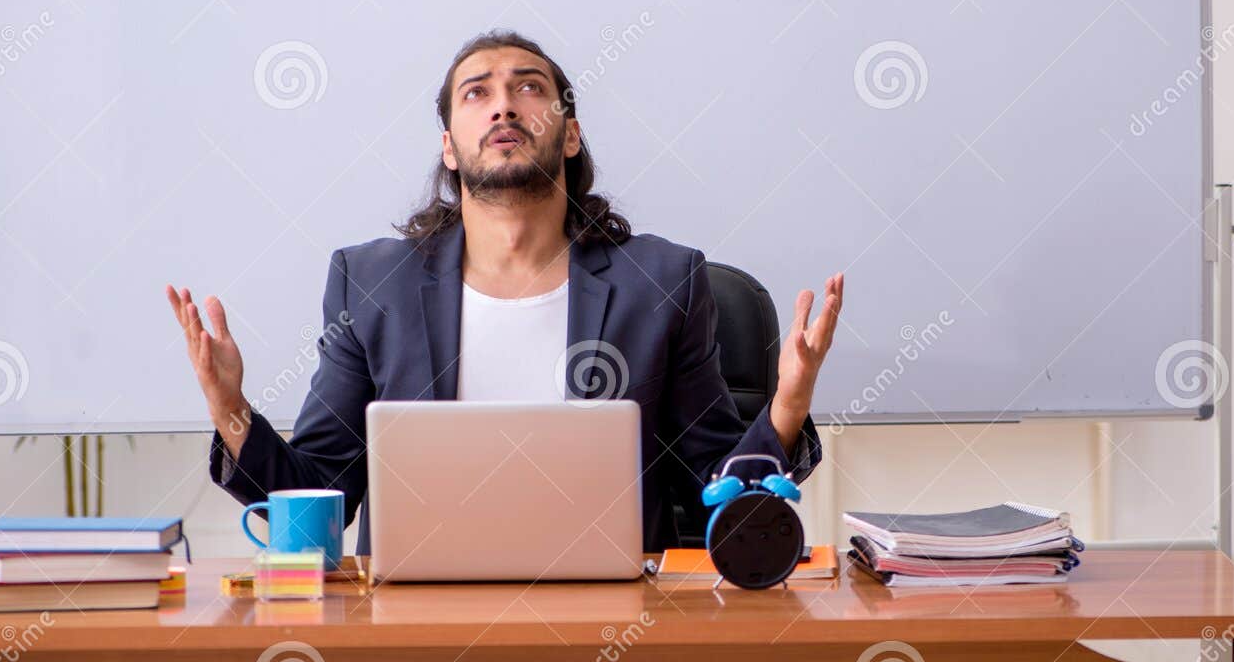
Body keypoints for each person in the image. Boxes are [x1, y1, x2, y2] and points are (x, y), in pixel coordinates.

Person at [165, 29, 844, 553]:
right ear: (450, 149)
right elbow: (319, 496)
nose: (503, 106)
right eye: (477, 93)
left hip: (610, 622)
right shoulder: (374, 286)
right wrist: (230, 410)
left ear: (569, 134)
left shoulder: (661, 283)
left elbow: (714, 493)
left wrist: (786, 407)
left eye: (528, 88)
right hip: (414, 626)